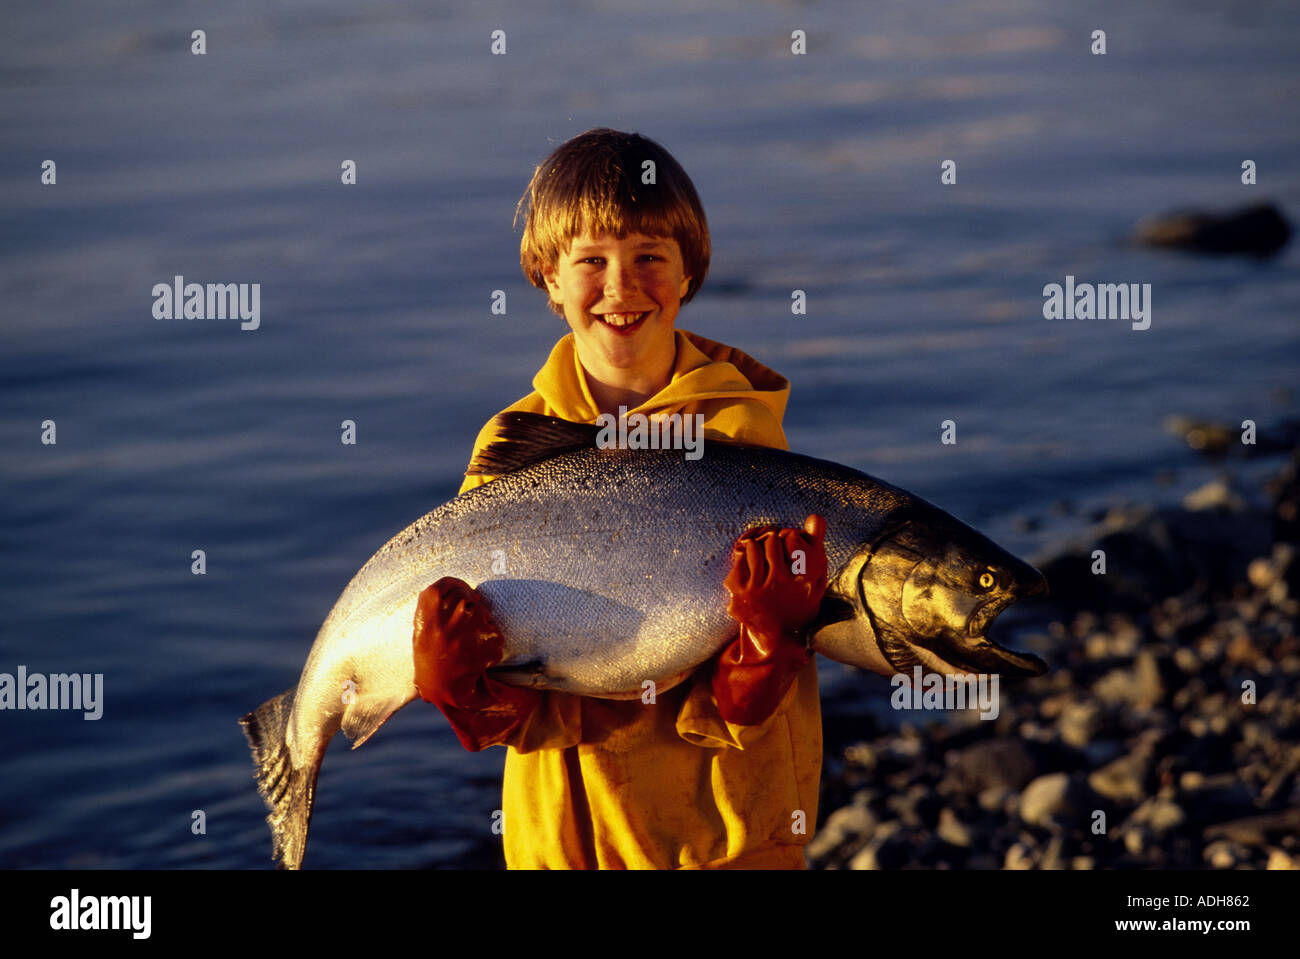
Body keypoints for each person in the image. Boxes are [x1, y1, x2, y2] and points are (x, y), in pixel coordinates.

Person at [412, 129, 828, 869]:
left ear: (689, 271)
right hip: (563, 847)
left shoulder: (739, 433)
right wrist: (471, 693)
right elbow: (522, 680)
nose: (621, 286)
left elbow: (749, 700)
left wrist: (764, 652)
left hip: (727, 840)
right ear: (547, 276)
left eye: (648, 258)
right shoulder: (510, 445)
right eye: (591, 261)